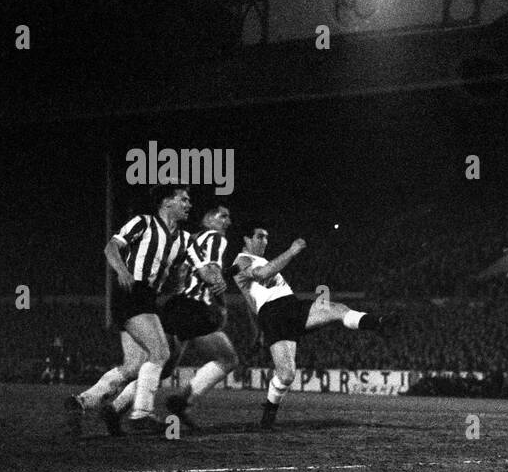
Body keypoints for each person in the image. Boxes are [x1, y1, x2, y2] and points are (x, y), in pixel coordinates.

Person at [68, 184, 225, 435]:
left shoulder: (185, 239)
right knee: (161, 353)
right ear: (166, 202)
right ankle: (141, 413)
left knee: (133, 366)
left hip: (146, 298)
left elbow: (204, 268)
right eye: (183, 199)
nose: (189, 204)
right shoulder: (143, 222)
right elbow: (111, 247)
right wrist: (122, 271)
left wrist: (216, 278)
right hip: (133, 293)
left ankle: (81, 402)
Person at [232, 224, 386, 430]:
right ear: (246, 239)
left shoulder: (259, 259)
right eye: (260, 237)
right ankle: (269, 412)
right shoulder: (241, 260)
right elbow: (262, 274)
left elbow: (253, 296)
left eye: (267, 237)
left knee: (336, 309)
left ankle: (379, 323)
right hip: (273, 314)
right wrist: (292, 251)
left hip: (290, 304)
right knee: (286, 375)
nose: (265, 241)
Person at [107, 205, 238, 433]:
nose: (228, 221)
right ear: (208, 218)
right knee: (223, 358)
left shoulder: (190, 239)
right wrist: (223, 306)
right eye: (223, 216)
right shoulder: (215, 238)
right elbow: (213, 274)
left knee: (165, 366)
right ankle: (151, 408)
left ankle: (118, 408)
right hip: (194, 308)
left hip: (180, 306)